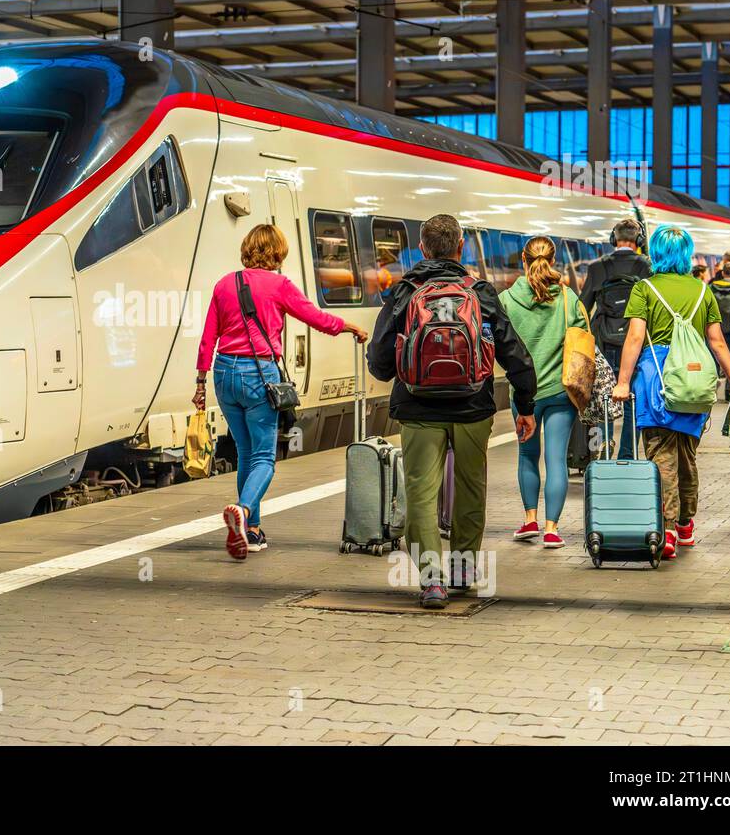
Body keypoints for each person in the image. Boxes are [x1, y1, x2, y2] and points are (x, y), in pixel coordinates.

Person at [367, 214, 537, 609]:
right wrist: (524, 405)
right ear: (460, 247)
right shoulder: (478, 291)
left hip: (418, 406)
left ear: (422, 248)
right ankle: (462, 570)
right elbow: (514, 352)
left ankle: (431, 582)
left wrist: (400, 370)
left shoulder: (406, 290)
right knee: (470, 489)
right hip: (473, 405)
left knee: (422, 495)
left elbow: (378, 359)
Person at [194, 224, 367, 560]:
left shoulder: (224, 284)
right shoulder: (279, 285)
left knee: (245, 452)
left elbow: (207, 338)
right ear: (277, 253)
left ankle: (253, 531)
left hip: (223, 374)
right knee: (264, 457)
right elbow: (315, 319)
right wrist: (350, 326)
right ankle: (244, 511)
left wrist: (200, 384)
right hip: (259, 375)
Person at [611, 225, 730, 560]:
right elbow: (716, 342)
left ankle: (667, 528)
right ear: (686, 255)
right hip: (694, 380)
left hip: (656, 381)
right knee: (687, 456)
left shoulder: (644, 289)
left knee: (661, 454)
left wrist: (623, 381)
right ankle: (686, 524)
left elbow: (634, 339)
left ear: (655, 253)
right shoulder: (703, 292)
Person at [499, 236, 589, 550]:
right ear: (553, 260)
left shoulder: (507, 299)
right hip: (561, 391)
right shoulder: (568, 298)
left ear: (523, 260)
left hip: (523, 394)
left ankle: (529, 520)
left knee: (527, 456)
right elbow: (583, 340)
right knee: (555, 460)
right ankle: (552, 529)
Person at [582, 218, 651, 459]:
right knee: (632, 401)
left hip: (604, 343)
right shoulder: (647, 267)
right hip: (636, 345)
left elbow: (583, 307)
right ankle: (627, 455)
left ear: (614, 239)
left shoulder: (597, 267)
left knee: (603, 401)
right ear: (639, 241)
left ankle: (602, 450)